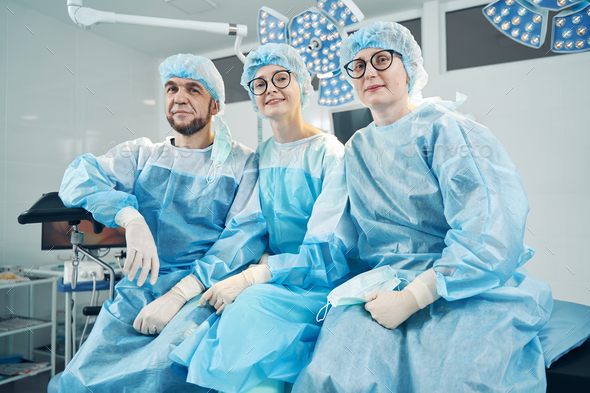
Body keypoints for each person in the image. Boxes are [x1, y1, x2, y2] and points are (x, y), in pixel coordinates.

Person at [292, 21, 553, 393]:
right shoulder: (357, 149)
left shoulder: (447, 129)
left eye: (382, 59)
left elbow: (490, 227)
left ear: (409, 68)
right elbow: (340, 234)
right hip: (385, 284)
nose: (369, 73)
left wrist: (418, 295)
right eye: (358, 65)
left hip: (461, 284)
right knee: (336, 371)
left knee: (461, 377)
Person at [57, 54, 267, 393]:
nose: (179, 97)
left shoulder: (242, 164)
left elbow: (243, 238)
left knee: (161, 373)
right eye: (171, 88)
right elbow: (78, 178)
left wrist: (179, 294)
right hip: (139, 288)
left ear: (215, 106)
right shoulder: (142, 156)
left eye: (193, 89)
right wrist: (130, 216)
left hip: (200, 291)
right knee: (81, 378)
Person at [169, 43, 358, 393]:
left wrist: (255, 276)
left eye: (282, 78)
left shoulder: (329, 153)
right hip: (279, 280)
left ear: (303, 85)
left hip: (319, 285)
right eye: (260, 84)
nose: (270, 88)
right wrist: (189, 286)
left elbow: (328, 252)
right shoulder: (265, 154)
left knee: (249, 311)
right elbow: (245, 230)